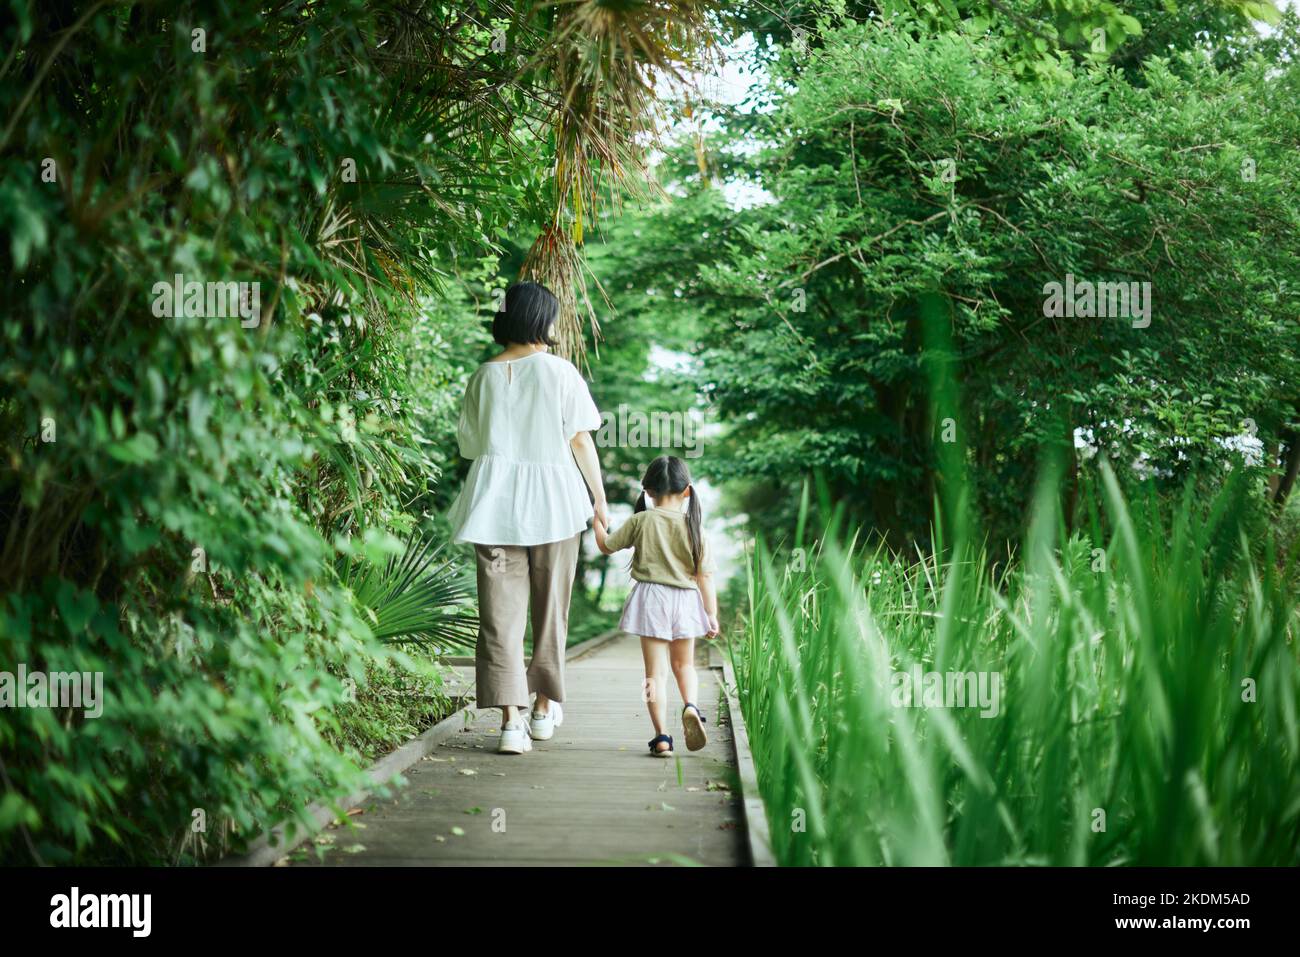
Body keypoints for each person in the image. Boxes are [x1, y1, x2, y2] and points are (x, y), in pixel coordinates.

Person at [448, 281, 608, 755]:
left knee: (499, 615)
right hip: (556, 504)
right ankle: (542, 710)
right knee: (550, 610)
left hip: (493, 505)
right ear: (539, 320)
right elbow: (581, 440)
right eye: (553, 316)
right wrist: (598, 500)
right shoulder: (561, 373)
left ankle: (510, 723)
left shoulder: (482, 376)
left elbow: (471, 446)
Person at [593, 455, 720, 758]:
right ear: (686, 491)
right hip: (687, 600)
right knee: (684, 665)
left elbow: (606, 545)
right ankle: (690, 705)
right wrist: (711, 614)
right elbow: (705, 578)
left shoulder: (641, 520)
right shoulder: (695, 527)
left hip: (651, 599)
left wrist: (599, 522)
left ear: (647, 491)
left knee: (654, 675)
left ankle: (661, 738)